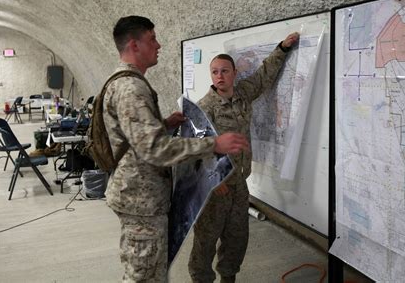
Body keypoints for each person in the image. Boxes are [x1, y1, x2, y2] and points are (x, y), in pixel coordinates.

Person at [103, 15, 250, 283]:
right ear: (134, 45)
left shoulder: (126, 81)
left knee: (151, 270)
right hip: (141, 199)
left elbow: (135, 136)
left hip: (141, 195)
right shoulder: (131, 87)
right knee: (143, 275)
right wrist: (213, 144)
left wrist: (164, 123)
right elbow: (154, 148)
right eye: (152, 39)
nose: (158, 45)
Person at [188, 32, 300, 283]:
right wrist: (214, 181)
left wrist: (282, 48)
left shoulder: (242, 95)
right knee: (206, 239)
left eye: (225, 71)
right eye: (215, 72)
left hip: (238, 182)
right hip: (213, 188)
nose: (220, 76)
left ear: (234, 73)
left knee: (237, 236)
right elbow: (195, 151)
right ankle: (200, 279)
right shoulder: (204, 108)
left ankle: (229, 277)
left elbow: (262, 77)